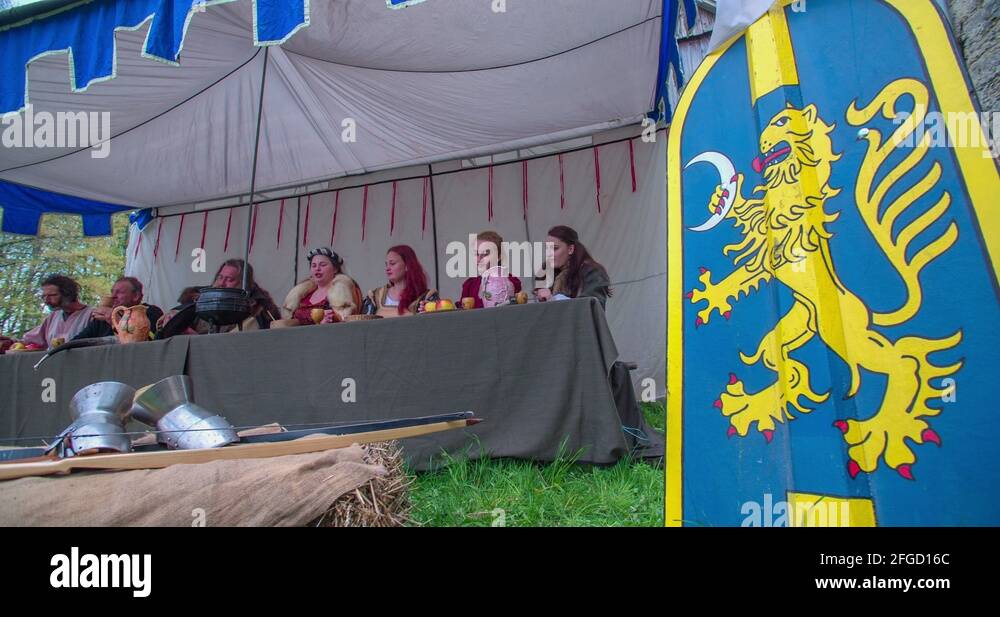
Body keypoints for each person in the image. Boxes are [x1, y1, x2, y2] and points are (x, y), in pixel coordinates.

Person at [277, 247, 362, 325]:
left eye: (323, 265)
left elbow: (346, 318)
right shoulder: (303, 295)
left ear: (335, 269)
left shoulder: (343, 292)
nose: (317, 268)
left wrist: (331, 318)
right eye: (313, 265)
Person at [533, 225, 612, 309]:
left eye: (555, 248)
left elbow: (592, 307)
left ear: (570, 249)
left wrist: (553, 299)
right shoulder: (545, 272)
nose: (549, 254)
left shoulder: (592, 272)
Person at [12, 275, 94, 348]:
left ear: (68, 294)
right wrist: (11, 341)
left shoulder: (91, 314)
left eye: (52, 295)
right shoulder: (53, 316)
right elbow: (30, 340)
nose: (46, 301)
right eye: (44, 296)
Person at [72, 276, 163, 341]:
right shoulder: (102, 319)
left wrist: (115, 319)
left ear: (136, 296)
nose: (113, 296)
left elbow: (149, 339)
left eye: (119, 292)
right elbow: (78, 341)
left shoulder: (150, 312)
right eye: (112, 292)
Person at [365, 245, 438, 317]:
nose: (387, 268)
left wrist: (428, 313)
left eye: (392, 263)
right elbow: (364, 324)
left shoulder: (426, 297)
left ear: (407, 266)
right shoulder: (375, 297)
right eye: (386, 264)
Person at [460, 230, 522, 308]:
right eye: (476, 254)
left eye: (485, 254)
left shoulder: (510, 281)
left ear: (499, 256)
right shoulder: (469, 285)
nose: (479, 260)